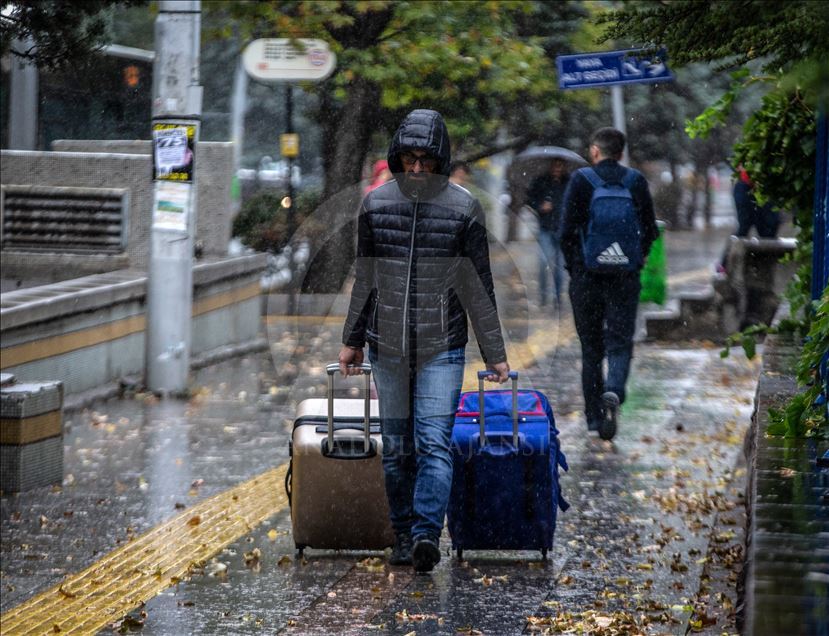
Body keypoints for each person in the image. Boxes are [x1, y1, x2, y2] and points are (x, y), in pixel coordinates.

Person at [339, 109, 510, 573]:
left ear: (440, 160)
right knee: (396, 448)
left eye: (426, 160)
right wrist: (352, 341)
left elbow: (479, 287)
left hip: (443, 347)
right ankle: (400, 534)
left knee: (433, 443)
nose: (417, 169)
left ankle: (425, 535)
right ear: (398, 158)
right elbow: (365, 280)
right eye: (409, 159)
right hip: (386, 346)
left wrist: (495, 355)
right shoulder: (375, 205)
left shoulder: (464, 208)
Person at [559, 127, 658, 440]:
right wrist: (634, 261)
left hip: (586, 278)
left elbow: (565, 231)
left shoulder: (581, 180)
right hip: (624, 279)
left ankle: (593, 418)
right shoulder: (636, 181)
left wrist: (576, 267)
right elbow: (650, 230)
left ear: (595, 151)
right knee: (619, 341)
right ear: (621, 152)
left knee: (591, 349)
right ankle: (614, 390)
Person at [526, 158, 569, 308]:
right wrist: (540, 206)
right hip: (545, 227)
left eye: (560, 166)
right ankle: (543, 296)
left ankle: (557, 298)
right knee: (544, 262)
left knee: (559, 266)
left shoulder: (569, 182)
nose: (557, 169)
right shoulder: (541, 181)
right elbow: (530, 198)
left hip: (562, 229)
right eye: (555, 166)